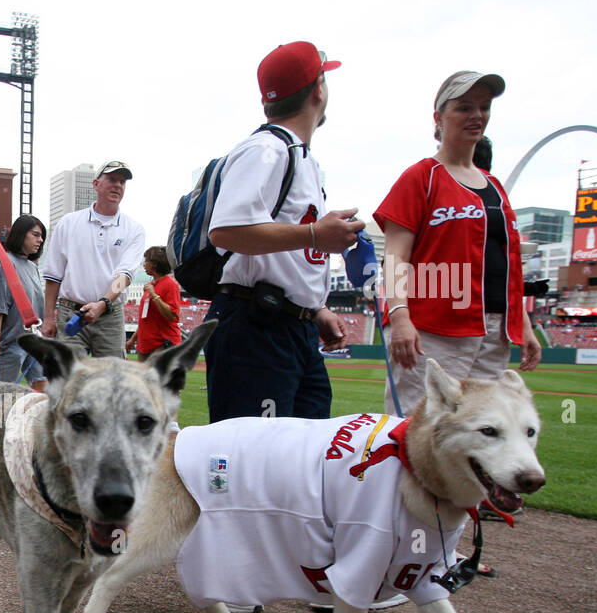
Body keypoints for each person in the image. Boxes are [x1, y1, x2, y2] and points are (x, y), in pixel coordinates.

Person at [204, 41, 360, 423]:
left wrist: (316, 309)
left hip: (292, 326)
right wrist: (314, 236)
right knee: (254, 465)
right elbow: (225, 230)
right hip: (256, 324)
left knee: (303, 461)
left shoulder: (300, 157)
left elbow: (280, 255)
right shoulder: (266, 149)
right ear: (318, 90)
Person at [376, 70, 540, 420]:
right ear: (439, 117)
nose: (477, 115)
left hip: (493, 330)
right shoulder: (421, 176)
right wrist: (400, 317)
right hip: (432, 327)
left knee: (476, 435)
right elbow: (395, 256)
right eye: (465, 107)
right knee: (418, 427)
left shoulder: (494, 186)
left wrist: (522, 324)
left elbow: (508, 263)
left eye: (483, 107)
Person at [41, 161, 144, 358]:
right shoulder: (68, 223)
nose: (118, 185)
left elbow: (125, 275)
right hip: (71, 312)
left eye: (122, 182)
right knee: (69, 379)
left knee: (112, 382)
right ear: (96, 184)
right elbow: (54, 274)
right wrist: (48, 318)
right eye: (112, 179)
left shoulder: (134, 229)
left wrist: (103, 303)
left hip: (110, 315)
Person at [0, 214, 47, 390]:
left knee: (43, 391)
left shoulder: (33, 267)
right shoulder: (5, 263)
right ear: (21, 234)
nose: (40, 240)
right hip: (12, 343)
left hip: (33, 342)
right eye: (35, 234)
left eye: (41, 236)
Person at [127, 246, 182, 359]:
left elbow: (173, 316)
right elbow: (145, 319)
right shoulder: (151, 285)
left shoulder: (169, 284)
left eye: (146, 261)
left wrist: (155, 296)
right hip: (145, 346)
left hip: (162, 345)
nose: (144, 264)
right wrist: (132, 340)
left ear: (155, 264)